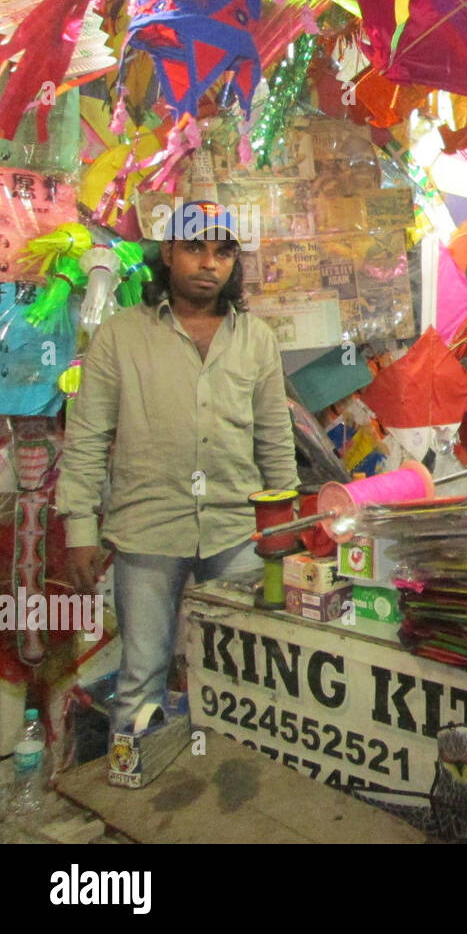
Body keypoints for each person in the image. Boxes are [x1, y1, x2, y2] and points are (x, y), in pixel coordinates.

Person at [57, 203, 298, 733]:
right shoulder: (121, 335)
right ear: (168, 253)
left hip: (237, 532)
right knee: (142, 675)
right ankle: (134, 792)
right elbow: (88, 437)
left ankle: (229, 801)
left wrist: (285, 530)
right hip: (147, 530)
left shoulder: (255, 338)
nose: (209, 264)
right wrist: (79, 529)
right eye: (195, 248)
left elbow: (275, 441)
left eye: (223, 252)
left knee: (242, 674)